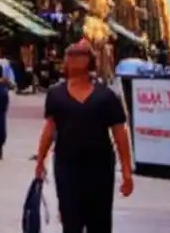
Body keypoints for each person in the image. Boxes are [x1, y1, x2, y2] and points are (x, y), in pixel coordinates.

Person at [35, 40, 133, 233]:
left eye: (81, 55)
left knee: (100, 222)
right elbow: (49, 128)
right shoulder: (56, 94)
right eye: (71, 55)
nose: (75, 59)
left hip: (100, 167)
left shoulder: (106, 96)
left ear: (91, 61)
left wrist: (127, 171)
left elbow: (120, 134)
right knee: (71, 221)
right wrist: (40, 159)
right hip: (67, 166)